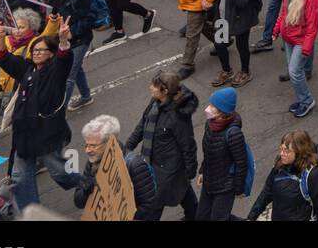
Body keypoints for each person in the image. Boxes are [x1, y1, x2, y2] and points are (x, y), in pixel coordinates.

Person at [0, 21, 81, 211]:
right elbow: (3, 58)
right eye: (34, 50)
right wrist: (2, 36)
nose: (36, 53)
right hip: (23, 136)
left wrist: (62, 40)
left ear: (51, 54)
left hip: (46, 135)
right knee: (20, 179)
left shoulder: (55, 73)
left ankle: (88, 185)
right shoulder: (27, 69)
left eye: (42, 50)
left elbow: (64, 58)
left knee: (60, 173)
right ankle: (31, 214)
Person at [124, 71, 199, 220]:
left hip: (168, 170)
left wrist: (190, 171)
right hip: (154, 164)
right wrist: (127, 147)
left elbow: (188, 145)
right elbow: (142, 125)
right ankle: (195, 215)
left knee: (154, 205)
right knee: (183, 192)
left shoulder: (177, 116)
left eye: (154, 86)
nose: (150, 87)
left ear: (164, 91)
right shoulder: (155, 102)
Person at [73, 115, 158, 220]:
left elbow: (148, 206)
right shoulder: (93, 162)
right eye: (86, 145)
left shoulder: (135, 165)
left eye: (93, 146)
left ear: (109, 143)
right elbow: (78, 202)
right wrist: (85, 191)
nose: (88, 150)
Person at [247, 130, 318, 221]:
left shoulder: (313, 175)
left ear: (299, 152)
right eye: (281, 149)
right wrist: (251, 217)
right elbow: (267, 192)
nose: (282, 154)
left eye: (287, 151)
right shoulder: (280, 165)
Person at [197, 87, 249, 221]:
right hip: (209, 181)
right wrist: (202, 171)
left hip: (225, 187)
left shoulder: (234, 134)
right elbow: (208, 152)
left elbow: (241, 163)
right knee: (202, 217)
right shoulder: (210, 124)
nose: (207, 109)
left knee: (218, 218)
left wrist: (238, 189)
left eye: (212, 107)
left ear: (222, 112)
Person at [273, 0, 318, 116]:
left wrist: (306, 48)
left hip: (300, 40)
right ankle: (301, 98)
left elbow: (312, 25)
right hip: (289, 38)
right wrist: (277, 29)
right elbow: (283, 13)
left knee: (294, 72)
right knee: (294, 72)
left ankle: (307, 101)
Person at [212, 0, 261, 91]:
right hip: (223, 18)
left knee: (242, 45)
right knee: (219, 44)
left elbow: (243, 1)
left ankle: (245, 71)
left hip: (240, 19)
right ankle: (227, 71)